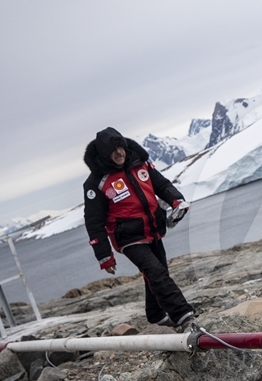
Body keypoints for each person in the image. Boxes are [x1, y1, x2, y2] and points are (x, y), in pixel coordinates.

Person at [83, 127, 195, 330]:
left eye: (121, 148)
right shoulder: (95, 183)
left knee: (156, 274)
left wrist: (176, 200)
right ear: (102, 154)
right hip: (128, 237)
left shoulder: (139, 163)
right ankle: (183, 316)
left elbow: (161, 184)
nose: (119, 153)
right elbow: (94, 222)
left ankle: (156, 316)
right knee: (156, 273)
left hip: (152, 230)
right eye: (113, 150)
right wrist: (104, 256)